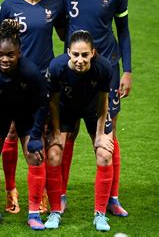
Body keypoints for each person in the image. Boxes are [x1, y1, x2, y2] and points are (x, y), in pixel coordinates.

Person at [55, 0, 131, 216]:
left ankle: (112, 198)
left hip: (107, 69)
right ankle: (60, 196)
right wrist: (73, 50)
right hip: (73, 71)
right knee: (67, 133)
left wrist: (128, 70)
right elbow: (60, 23)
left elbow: (123, 31)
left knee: (107, 136)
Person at [0, 0, 65, 214]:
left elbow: (63, 34)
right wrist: (6, 29)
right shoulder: (9, 5)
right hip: (14, 81)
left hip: (44, 79)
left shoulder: (55, 5)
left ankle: (42, 193)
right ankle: (11, 191)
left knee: (41, 135)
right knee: (12, 133)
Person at [0, 19, 49, 230]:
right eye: (0, 55)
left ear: (19, 52)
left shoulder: (31, 72)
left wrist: (35, 135)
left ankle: (34, 214)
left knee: (35, 156)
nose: (4, 59)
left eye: (10, 55)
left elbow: (43, 104)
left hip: (26, 115)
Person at [46, 30, 115, 231]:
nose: (80, 60)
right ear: (68, 52)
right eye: (75, 54)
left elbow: (104, 102)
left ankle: (100, 214)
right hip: (66, 110)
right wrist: (57, 131)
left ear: (93, 53)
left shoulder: (103, 68)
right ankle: (55, 210)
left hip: (93, 110)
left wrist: (101, 134)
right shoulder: (57, 67)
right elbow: (53, 102)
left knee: (104, 155)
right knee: (53, 154)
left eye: (85, 55)